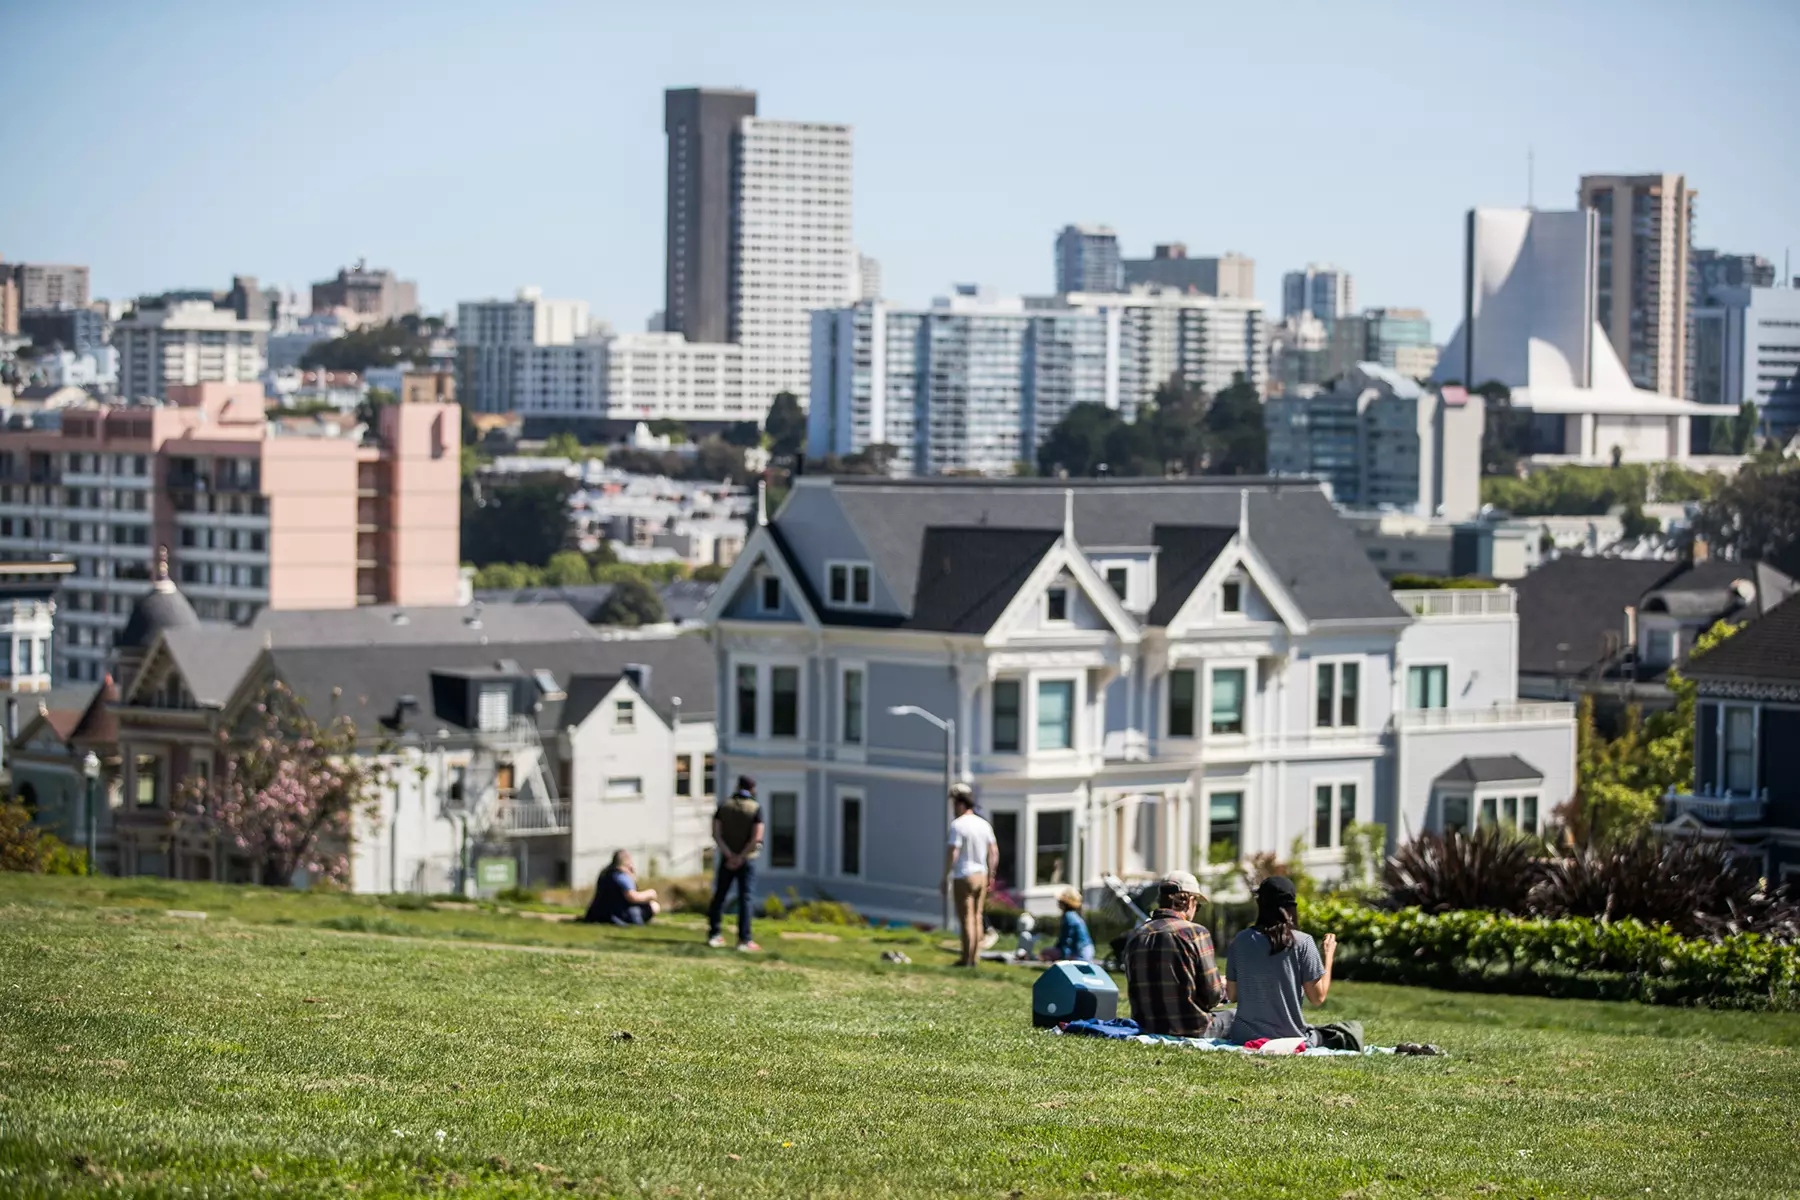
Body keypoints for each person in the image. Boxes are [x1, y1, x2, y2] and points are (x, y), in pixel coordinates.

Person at [1226, 875, 1359, 1049]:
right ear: (1291, 907)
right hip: (1289, 1038)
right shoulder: (1303, 942)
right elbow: (1318, 998)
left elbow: (1232, 995)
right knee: (1349, 1030)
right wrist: (1328, 955)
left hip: (1243, 1036)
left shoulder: (1240, 940)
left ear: (1260, 903)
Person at [1121, 870, 1227, 1037]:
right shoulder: (1196, 932)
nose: (1195, 910)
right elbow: (1211, 996)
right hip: (1192, 1028)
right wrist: (1223, 988)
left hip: (1146, 1026)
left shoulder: (1136, 934)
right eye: (1197, 906)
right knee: (1240, 1016)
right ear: (1188, 901)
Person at [706, 775, 764, 951]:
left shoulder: (724, 806)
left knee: (720, 895)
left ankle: (714, 934)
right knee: (745, 897)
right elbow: (757, 837)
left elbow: (716, 833)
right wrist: (741, 856)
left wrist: (729, 854)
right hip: (747, 859)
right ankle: (744, 939)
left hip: (727, 858)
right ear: (752, 788)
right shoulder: (755, 808)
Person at [944, 784, 997, 967]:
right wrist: (991, 875)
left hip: (964, 874)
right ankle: (975, 957)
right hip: (981, 874)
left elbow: (953, 852)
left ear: (960, 805)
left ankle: (966, 958)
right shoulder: (984, 824)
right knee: (977, 916)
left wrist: (946, 875)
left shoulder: (957, 826)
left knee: (966, 917)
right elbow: (994, 852)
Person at [582, 850, 659, 926]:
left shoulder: (605, 873)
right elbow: (632, 897)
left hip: (598, 913)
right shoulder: (622, 876)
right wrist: (650, 894)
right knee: (654, 906)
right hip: (618, 915)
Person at [1049, 885, 1097, 963]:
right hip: (1087, 951)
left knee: (1046, 952)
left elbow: (1067, 939)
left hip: (1080, 954)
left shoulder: (1068, 917)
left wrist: (1064, 959)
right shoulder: (1073, 915)